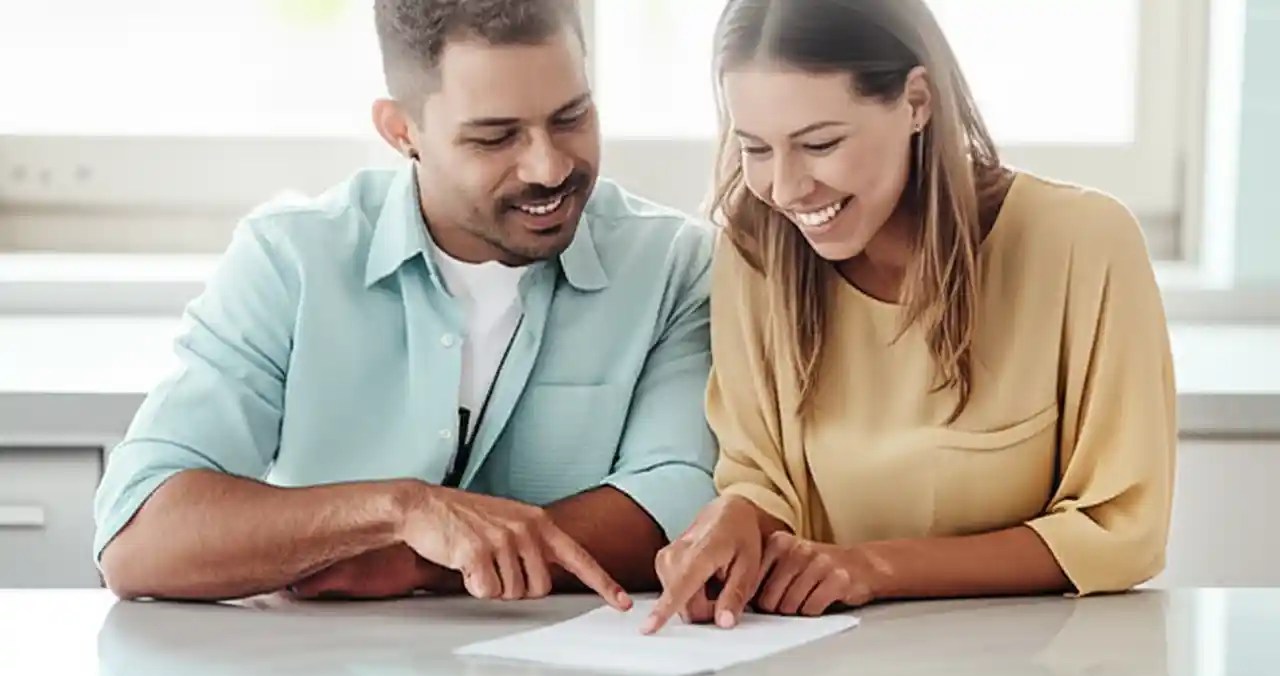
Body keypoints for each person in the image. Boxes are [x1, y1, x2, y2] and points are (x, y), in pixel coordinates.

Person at [94, 0, 718, 606]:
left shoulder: (673, 265)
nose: (550, 167)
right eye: (495, 138)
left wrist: (424, 561)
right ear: (402, 131)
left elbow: (678, 499)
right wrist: (401, 511)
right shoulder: (292, 259)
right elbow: (139, 534)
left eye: (571, 116)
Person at [644, 0, 1175, 634]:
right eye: (755, 147)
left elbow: (1120, 528)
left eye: (820, 144)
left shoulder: (1083, 244)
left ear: (916, 102)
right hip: (814, 665)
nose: (784, 189)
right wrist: (738, 521)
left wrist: (874, 568)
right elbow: (764, 477)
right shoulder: (755, 250)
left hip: (1034, 668)